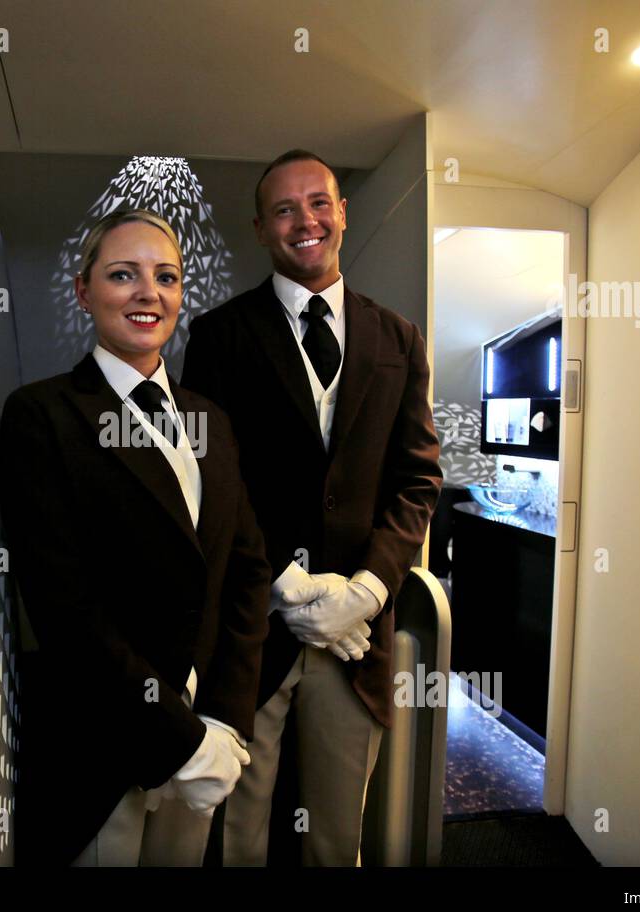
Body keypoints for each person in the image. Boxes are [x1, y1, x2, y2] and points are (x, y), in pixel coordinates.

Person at [181, 150, 443, 866]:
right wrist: (280, 586)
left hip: (356, 640)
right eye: (286, 209)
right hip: (253, 627)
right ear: (262, 227)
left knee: (336, 836)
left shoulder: (399, 339)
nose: (306, 220)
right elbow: (212, 479)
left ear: (342, 212)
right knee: (235, 832)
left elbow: (417, 479)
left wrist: (368, 589)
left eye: (319, 202)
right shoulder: (220, 337)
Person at [0, 208, 272, 866]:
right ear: (83, 290)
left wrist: (225, 723)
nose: (149, 292)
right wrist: (178, 737)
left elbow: (248, 571)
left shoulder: (211, 419)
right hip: (102, 748)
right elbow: (65, 607)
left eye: (166, 277)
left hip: (206, 735)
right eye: (124, 275)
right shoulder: (42, 414)